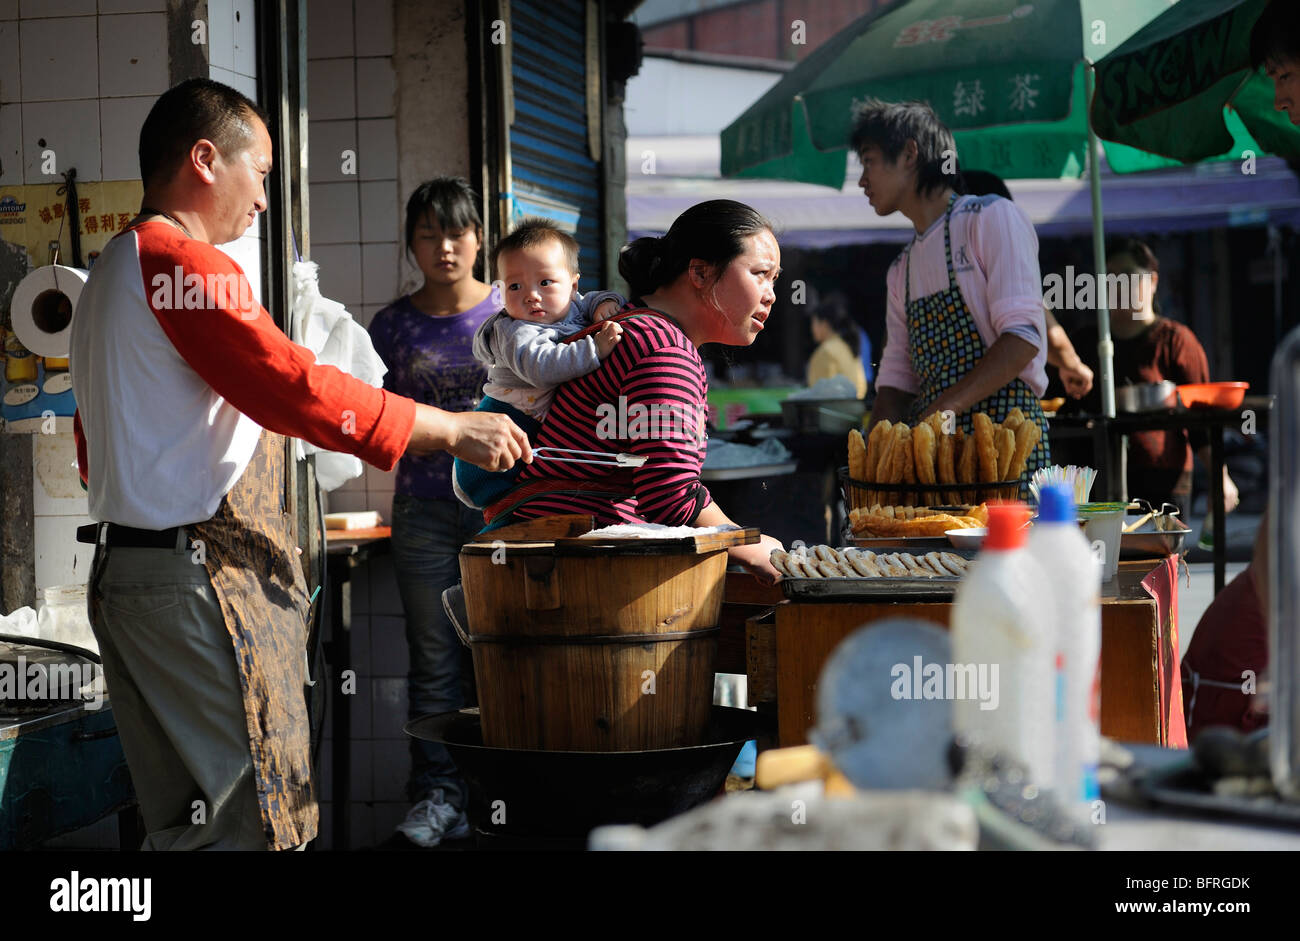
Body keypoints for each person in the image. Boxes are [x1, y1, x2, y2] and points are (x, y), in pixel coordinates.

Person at [68, 82, 528, 851]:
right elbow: (294, 384)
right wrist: (447, 427)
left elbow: (95, 447)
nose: (264, 201)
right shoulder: (183, 265)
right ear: (206, 159)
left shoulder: (113, 267)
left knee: (184, 827)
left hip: (127, 579)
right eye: (263, 173)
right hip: (188, 587)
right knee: (244, 827)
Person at [486, 199, 784, 584]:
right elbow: (671, 497)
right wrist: (755, 548)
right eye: (760, 273)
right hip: (574, 576)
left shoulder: (633, 324)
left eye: (776, 279)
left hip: (549, 562)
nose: (770, 294)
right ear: (700, 272)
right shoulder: (662, 348)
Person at [367, 178, 525, 847]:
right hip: (424, 513)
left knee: (505, 658)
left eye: (456, 232)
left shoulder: (511, 315)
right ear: (411, 244)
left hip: (506, 515)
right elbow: (376, 418)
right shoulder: (391, 326)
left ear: (478, 237)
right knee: (434, 660)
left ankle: (501, 798)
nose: (444, 247)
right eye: (428, 234)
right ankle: (438, 796)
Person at [856, 101, 1051, 491]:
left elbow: (1022, 339)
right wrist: (872, 463)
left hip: (1006, 444)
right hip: (933, 455)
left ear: (910, 154)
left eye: (869, 161)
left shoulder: (991, 218)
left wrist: (940, 412)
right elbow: (895, 378)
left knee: (1002, 554)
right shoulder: (901, 269)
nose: (862, 180)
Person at [452, 218, 626, 508]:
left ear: (573, 285)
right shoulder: (515, 331)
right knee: (501, 493)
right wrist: (593, 349)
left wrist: (604, 304)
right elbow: (543, 368)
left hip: (533, 427)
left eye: (545, 282)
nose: (531, 295)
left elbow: (592, 300)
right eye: (515, 286)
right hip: (506, 419)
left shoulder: (573, 306)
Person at [1068, 238, 1239, 520]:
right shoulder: (1085, 344)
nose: (1117, 286)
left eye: (1126, 276)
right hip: (1093, 482)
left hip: (1163, 481)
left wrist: (1219, 476)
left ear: (1153, 281)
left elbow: (1201, 418)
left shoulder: (1176, 341)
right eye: (1108, 278)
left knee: (1160, 560)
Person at [960, 169, 1094, 399]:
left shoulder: (920, 260)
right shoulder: (998, 244)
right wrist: (1073, 365)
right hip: (1000, 409)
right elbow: (1040, 331)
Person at [806, 294, 868, 398]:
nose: (812, 329)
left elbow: (822, 394)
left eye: (814, 323)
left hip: (834, 411)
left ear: (824, 324)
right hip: (856, 409)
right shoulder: (847, 346)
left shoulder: (826, 351)